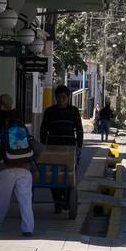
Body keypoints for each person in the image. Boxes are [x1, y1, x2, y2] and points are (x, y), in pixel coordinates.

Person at [0, 112, 42, 236]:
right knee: (25, 201)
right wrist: (31, 159)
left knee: (3, 200)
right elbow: (39, 148)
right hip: (25, 171)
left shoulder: (2, 134)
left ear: (6, 121)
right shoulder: (25, 133)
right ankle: (28, 229)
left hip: (6, 170)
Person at [41, 85, 83, 214]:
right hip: (53, 149)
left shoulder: (74, 111)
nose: (61, 100)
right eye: (58, 97)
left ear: (68, 98)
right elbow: (43, 130)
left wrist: (79, 145)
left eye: (63, 97)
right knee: (53, 176)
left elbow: (79, 130)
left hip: (69, 149)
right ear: (55, 98)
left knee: (68, 176)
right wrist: (44, 144)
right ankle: (58, 203)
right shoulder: (49, 111)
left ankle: (66, 201)